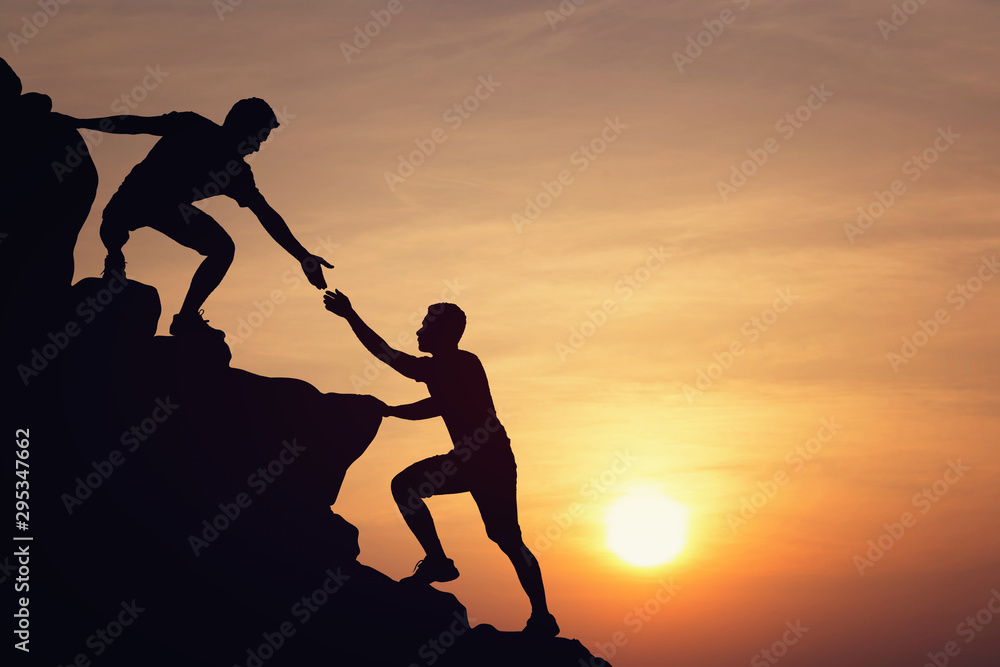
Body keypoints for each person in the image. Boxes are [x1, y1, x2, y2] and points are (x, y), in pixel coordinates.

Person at [323, 289, 559, 636]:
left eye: (425, 326)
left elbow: (399, 366)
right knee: (409, 488)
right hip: (472, 460)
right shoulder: (447, 367)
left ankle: (538, 614)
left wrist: (350, 315)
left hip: (489, 462)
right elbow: (429, 396)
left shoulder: (457, 364)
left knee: (505, 538)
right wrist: (392, 411)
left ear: (443, 333)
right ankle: (441, 562)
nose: (418, 332)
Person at [55, 99, 332, 336]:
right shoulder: (194, 127)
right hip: (138, 197)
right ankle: (117, 261)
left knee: (223, 248)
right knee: (116, 222)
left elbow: (267, 216)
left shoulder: (235, 170)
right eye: (258, 138)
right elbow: (135, 124)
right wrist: (80, 122)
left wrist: (302, 256)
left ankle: (185, 316)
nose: (257, 148)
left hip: (162, 207)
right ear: (244, 128)